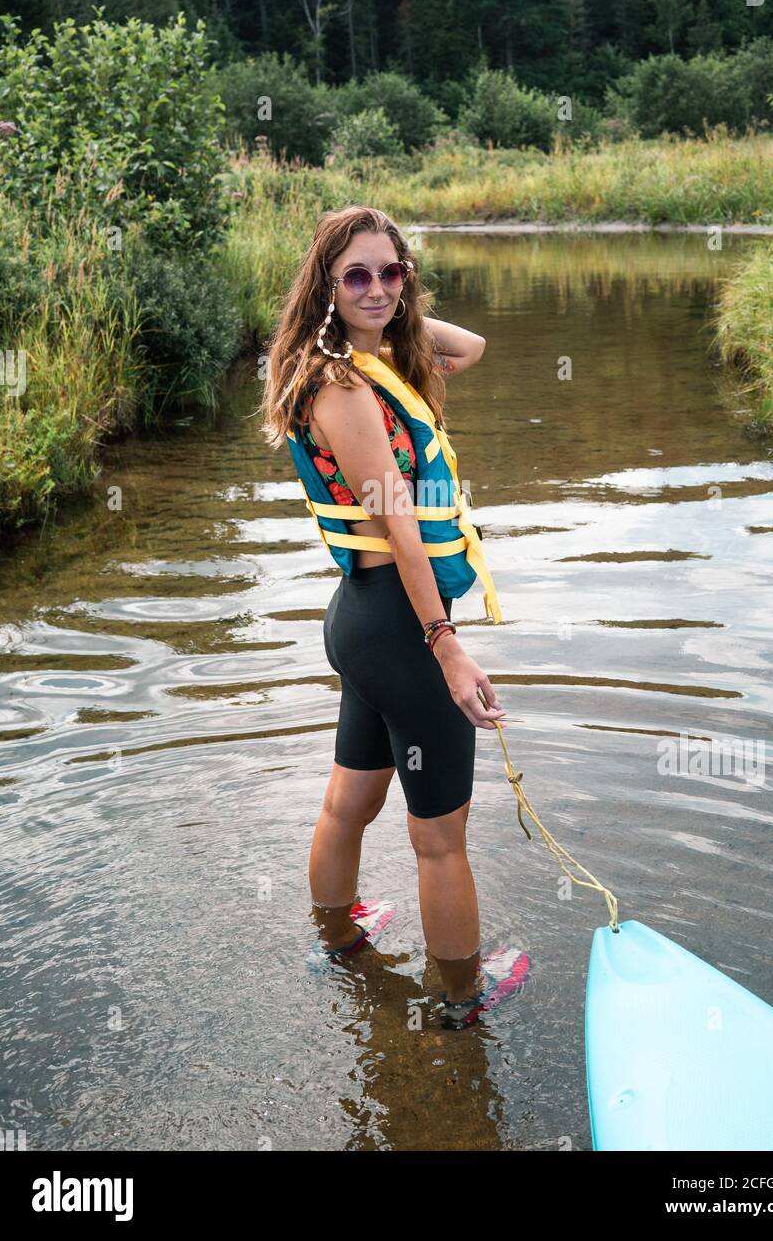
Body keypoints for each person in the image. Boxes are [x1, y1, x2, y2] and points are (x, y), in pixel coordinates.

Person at [260, 205, 528, 1029]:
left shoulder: (370, 363)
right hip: (401, 631)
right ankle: (461, 999)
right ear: (325, 286)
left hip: (366, 623)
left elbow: (470, 347)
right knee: (440, 836)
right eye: (355, 276)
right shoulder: (343, 388)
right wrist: (445, 646)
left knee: (350, 801)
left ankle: (340, 941)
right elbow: (400, 524)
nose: (375, 288)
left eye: (390, 272)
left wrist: (387, 310)